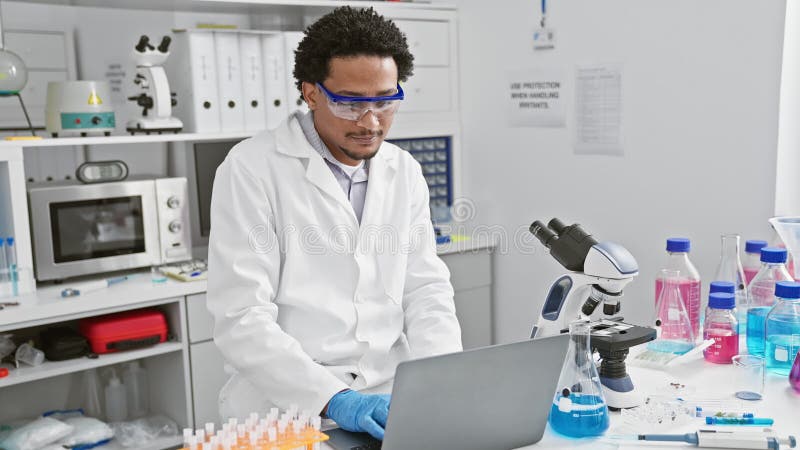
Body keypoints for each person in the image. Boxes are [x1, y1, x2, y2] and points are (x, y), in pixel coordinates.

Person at [206, 6, 462, 440]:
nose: (371, 121)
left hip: (389, 398)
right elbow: (242, 318)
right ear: (311, 93)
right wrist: (336, 398)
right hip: (286, 408)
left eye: (385, 101)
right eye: (349, 103)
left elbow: (425, 289)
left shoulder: (404, 170)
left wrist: (443, 378)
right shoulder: (250, 168)